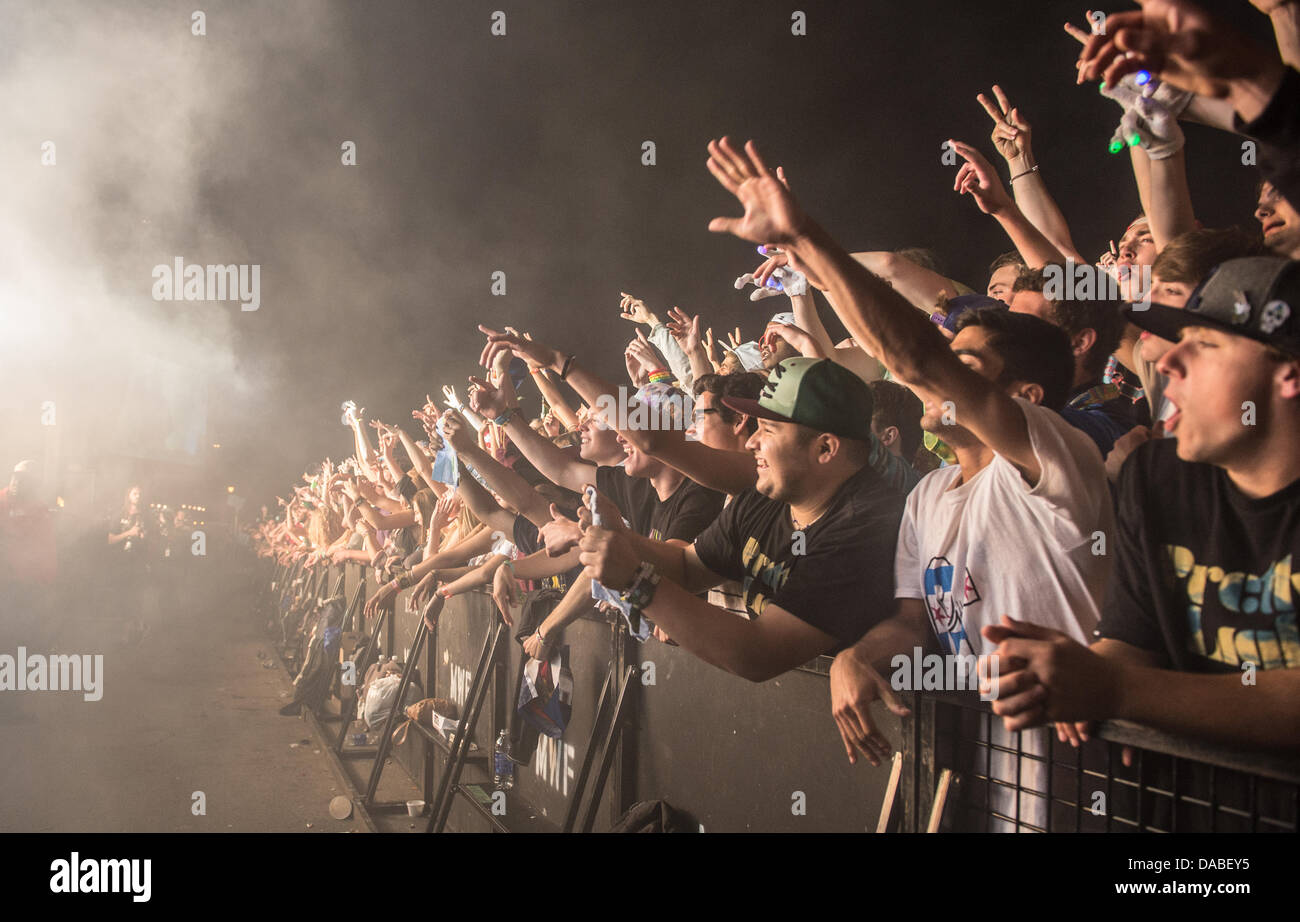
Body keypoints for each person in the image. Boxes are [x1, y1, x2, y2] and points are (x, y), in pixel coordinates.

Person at [984, 256, 1300, 752]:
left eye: (1207, 346)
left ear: (1289, 374)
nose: (1169, 360)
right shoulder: (1158, 477)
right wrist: (1076, 673)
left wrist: (1118, 690)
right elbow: (1132, 641)